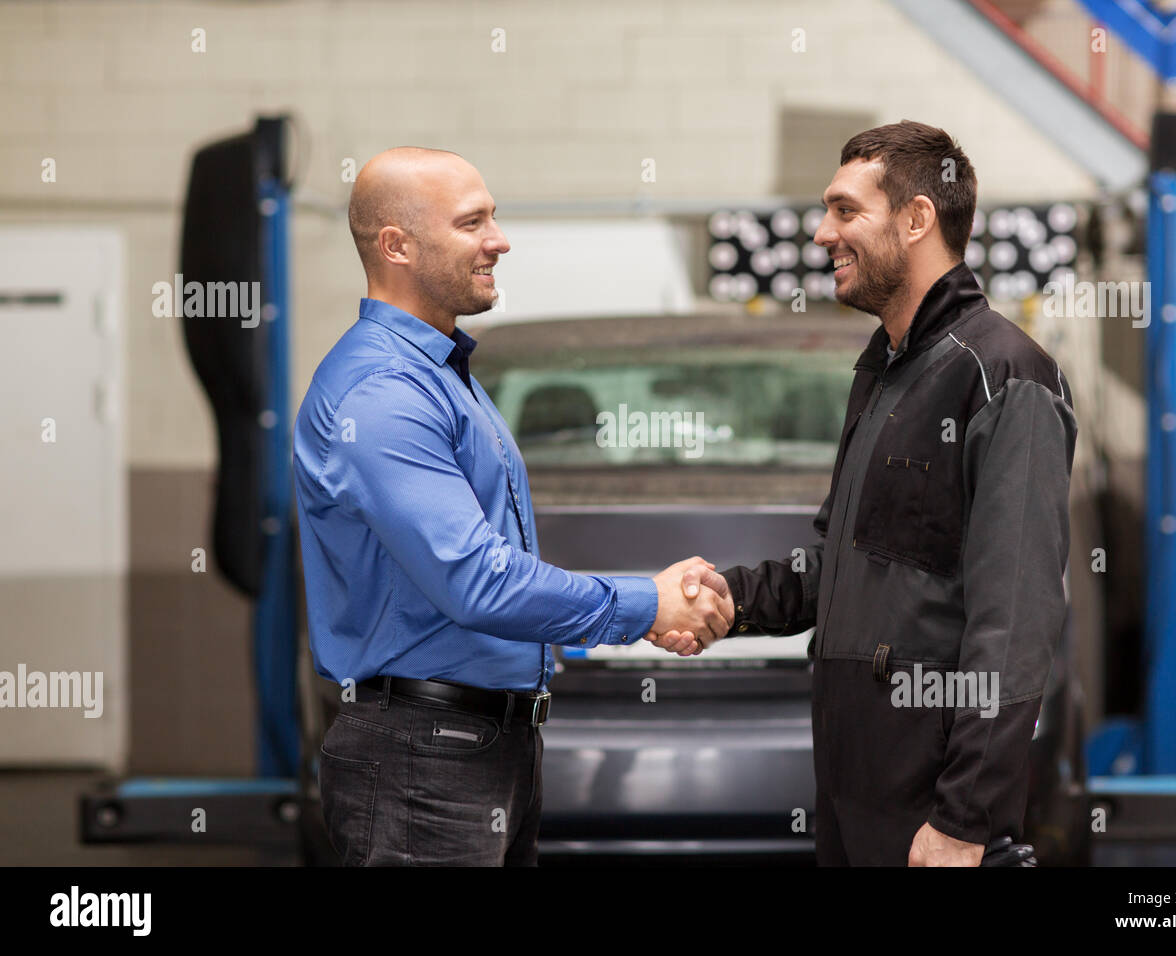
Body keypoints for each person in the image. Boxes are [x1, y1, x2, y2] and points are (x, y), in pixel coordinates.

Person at [650, 121, 1077, 866]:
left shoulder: (1005, 376)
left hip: (931, 816)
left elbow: (1014, 620)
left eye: (846, 211)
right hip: (853, 801)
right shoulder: (883, 370)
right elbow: (847, 567)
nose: (821, 234)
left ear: (916, 220)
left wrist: (963, 820)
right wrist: (729, 598)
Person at [293, 147, 731, 866]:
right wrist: (647, 605)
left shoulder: (443, 374)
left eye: (493, 217)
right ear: (396, 245)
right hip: (422, 763)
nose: (499, 239)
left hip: (480, 747)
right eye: (473, 223)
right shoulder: (382, 394)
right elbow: (478, 581)